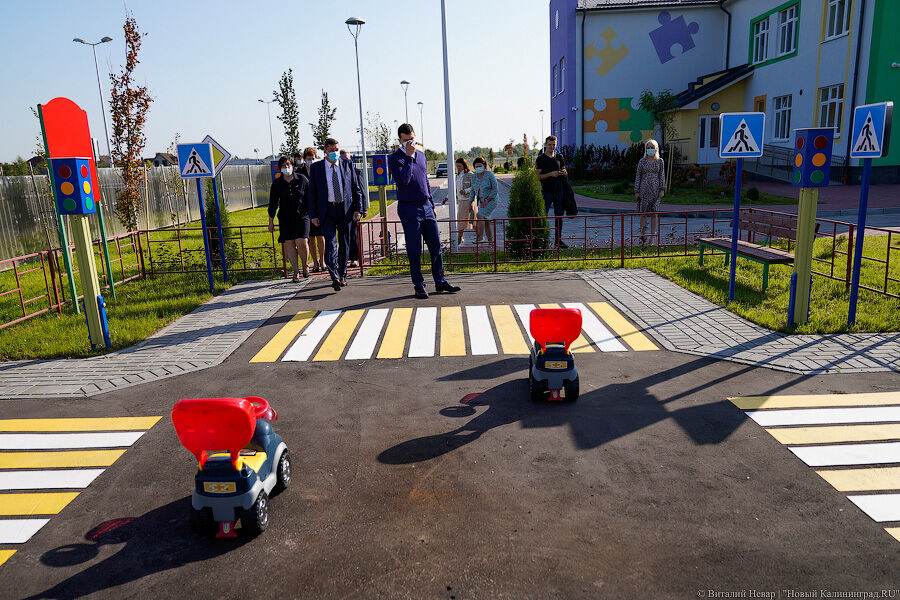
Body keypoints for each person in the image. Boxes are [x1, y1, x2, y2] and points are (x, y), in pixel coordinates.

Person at [388, 123, 461, 299]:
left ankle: (440, 280)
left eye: (412, 139)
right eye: (406, 141)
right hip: (408, 207)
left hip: (426, 206)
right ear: (399, 140)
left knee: (436, 246)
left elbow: (425, 182)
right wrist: (407, 156)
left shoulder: (421, 156)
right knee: (414, 249)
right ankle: (418, 285)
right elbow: (404, 180)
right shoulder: (395, 158)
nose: (410, 143)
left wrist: (431, 205)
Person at [308, 138, 363, 291]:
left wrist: (358, 209)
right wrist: (313, 215)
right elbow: (312, 193)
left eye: (337, 150)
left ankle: (342, 274)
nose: (335, 153)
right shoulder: (317, 168)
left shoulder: (347, 164)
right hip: (327, 211)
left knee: (344, 244)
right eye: (332, 150)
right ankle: (334, 277)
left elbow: (355, 188)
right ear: (325, 150)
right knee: (331, 244)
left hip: (345, 210)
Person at [268, 156, 310, 282]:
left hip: (302, 216)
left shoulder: (302, 180)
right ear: (280, 168)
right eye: (283, 166)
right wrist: (271, 222)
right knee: (290, 244)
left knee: (301, 242)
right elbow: (273, 204)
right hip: (285, 218)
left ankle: (305, 265)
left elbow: (310, 198)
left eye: (288, 165)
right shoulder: (277, 184)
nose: (286, 168)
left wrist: (315, 215)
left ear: (293, 166)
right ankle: (295, 271)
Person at [534, 135, 567, 248]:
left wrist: (564, 173)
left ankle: (558, 240)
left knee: (559, 216)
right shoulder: (541, 159)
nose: (552, 147)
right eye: (549, 145)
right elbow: (537, 176)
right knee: (543, 216)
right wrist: (550, 174)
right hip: (546, 191)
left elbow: (565, 171)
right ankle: (542, 240)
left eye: (554, 145)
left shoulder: (559, 157)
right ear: (545, 145)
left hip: (559, 191)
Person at [298, 147, 326, 273]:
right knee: (311, 237)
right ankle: (314, 262)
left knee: (321, 235)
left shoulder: (320, 169)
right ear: (304, 159)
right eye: (309, 159)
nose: (311, 161)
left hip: (319, 206)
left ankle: (322, 260)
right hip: (305, 208)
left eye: (313, 158)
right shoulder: (300, 172)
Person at [634, 139, 665, 247]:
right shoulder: (642, 161)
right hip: (644, 190)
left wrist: (662, 189)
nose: (650, 149)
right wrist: (636, 191)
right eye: (648, 148)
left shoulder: (660, 161)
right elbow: (638, 176)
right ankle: (643, 237)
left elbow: (662, 175)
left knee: (654, 214)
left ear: (656, 149)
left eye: (652, 147)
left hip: (655, 191)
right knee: (643, 214)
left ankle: (652, 238)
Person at [340, 149, 367, 268]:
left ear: (350, 159)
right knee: (342, 235)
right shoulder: (337, 172)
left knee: (353, 234)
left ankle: (354, 258)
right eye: (342, 158)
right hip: (340, 209)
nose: (344, 160)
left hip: (353, 208)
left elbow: (361, 190)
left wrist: (363, 208)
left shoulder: (356, 172)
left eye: (346, 158)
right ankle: (343, 258)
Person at [469, 156, 498, 245]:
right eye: (476, 166)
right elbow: (473, 190)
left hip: (491, 200)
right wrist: (470, 202)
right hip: (482, 202)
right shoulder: (473, 177)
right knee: (486, 221)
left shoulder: (490, 174)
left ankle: (480, 237)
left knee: (480, 215)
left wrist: (488, 199)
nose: (478, 168)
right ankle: (491, 241)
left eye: (480, 166)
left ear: (484, 166)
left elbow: (495, 189)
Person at [454, 158, 475, 246]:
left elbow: (474, 187)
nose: (458, 168)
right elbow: (455, 189)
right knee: (461, 220)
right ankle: (460, 238)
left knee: (473, 220)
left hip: (468, 200)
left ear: (464, 165)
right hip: (460, 200)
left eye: (460, 166)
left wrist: (465, 191)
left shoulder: (470, 174)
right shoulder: (457, 176)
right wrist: (448, 197)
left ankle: (480, 238)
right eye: (457, 166)